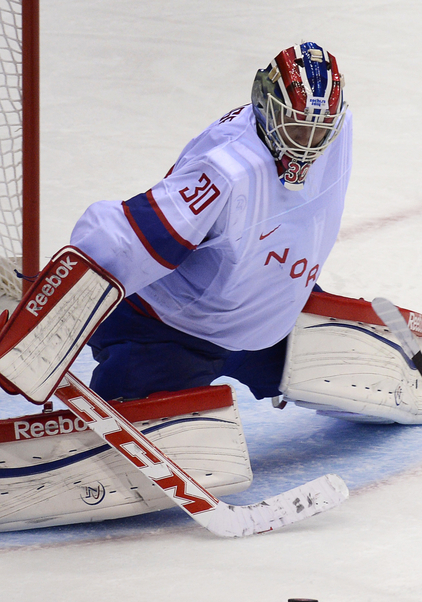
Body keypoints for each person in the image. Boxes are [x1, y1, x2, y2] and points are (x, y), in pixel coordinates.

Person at [70, 40, 351, 401]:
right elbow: (132, 237)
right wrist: (60, 299)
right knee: (126, 416)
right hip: (173, 332)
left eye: (320, 129)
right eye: (296, 128)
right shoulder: (227, 166)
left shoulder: (336, 128)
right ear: (266, 105)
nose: (308, 144)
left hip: (266, 314)